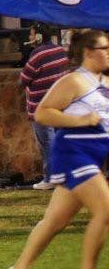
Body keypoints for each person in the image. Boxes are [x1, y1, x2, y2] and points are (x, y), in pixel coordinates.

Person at [13, 29, 109, 269]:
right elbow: (42, 112)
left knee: (55, 222)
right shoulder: (74, 80)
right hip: (74, 153)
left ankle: (20, 267)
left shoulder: (105, 81)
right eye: (104, 49)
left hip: (94, 156)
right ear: (88, 52)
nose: (108, 53)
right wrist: (81, 120)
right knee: (106, 212)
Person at [20, 22, 70, 191]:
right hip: (60, 106)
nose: (29, 37)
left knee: (47, 144)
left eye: (32, 34)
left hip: (41, 108)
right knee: (59, 143)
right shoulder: (60, 51)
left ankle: (50, 178)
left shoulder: (37, 54)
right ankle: (62, 177)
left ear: (39, 37)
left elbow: (23, 79)